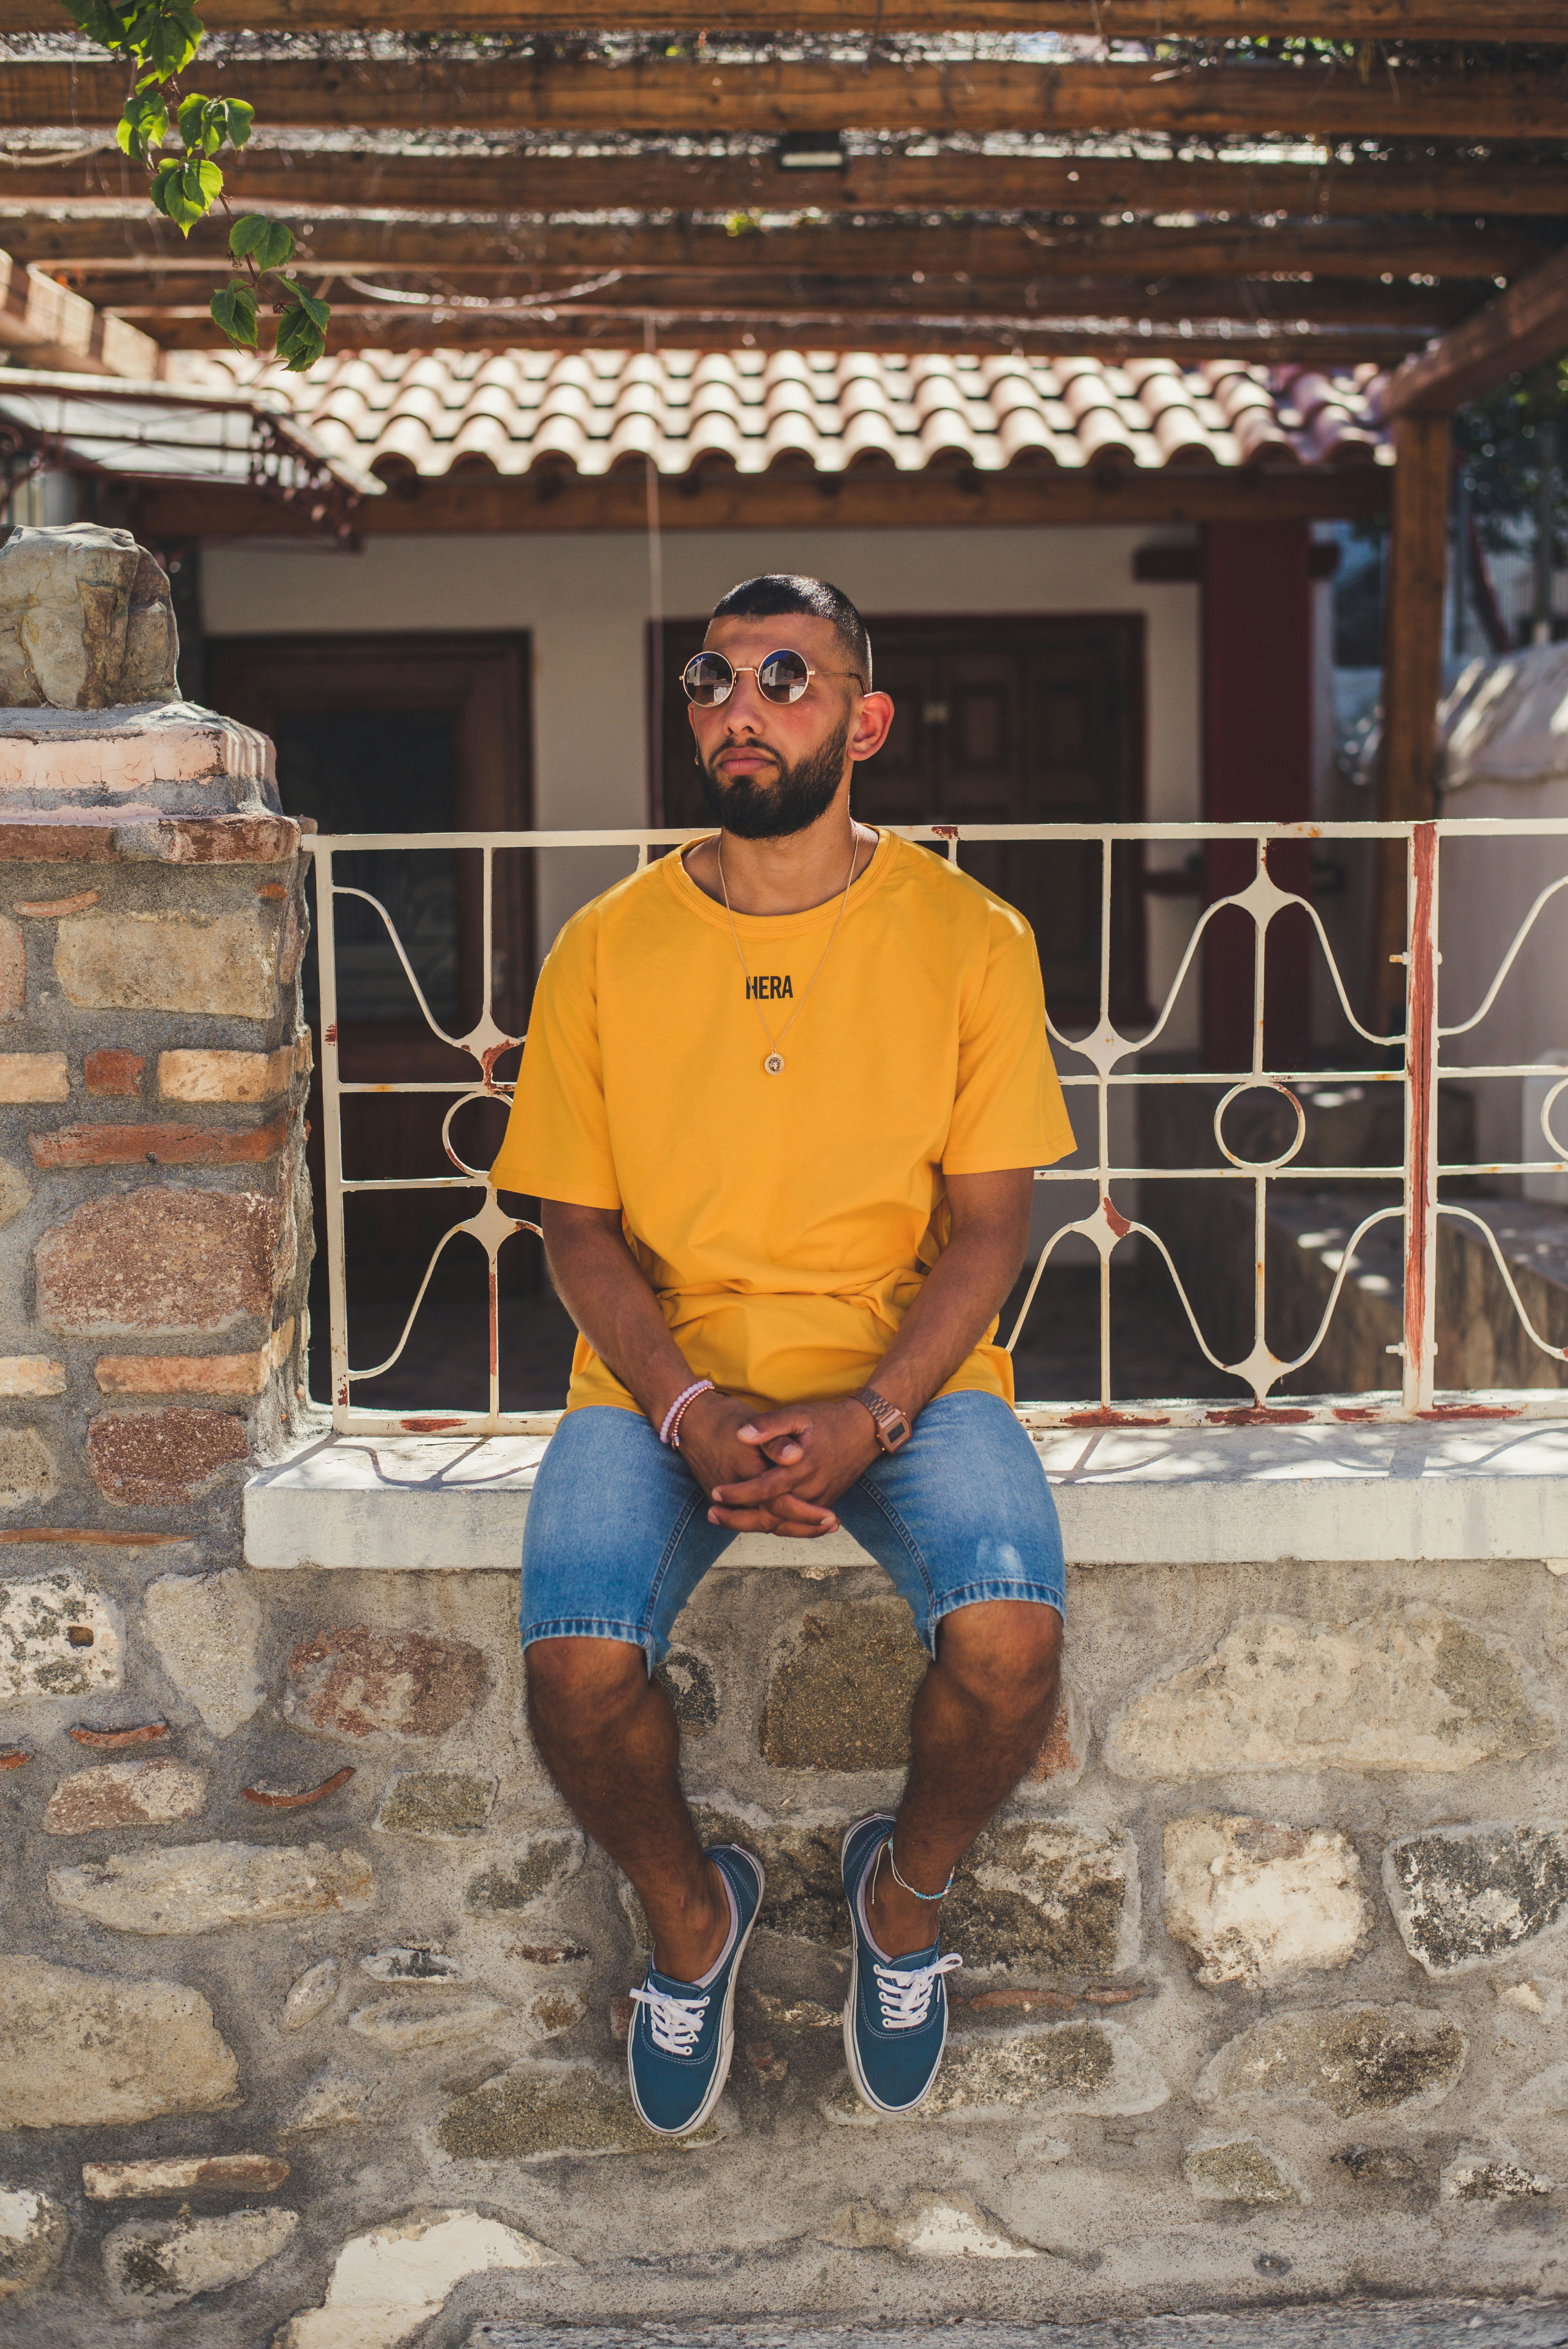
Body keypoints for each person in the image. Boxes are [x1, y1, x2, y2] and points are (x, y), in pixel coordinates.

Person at [489, 573, 1075, 2139]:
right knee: (574, 1667)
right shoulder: (605, 947)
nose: (737, 706)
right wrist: (683, 1407)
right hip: (659, 1382)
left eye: (782, 676)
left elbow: (985, 1231)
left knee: (1011, 1639)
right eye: (708, 680)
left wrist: (875, 1412)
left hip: (909, 1376)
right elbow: (577, 1230)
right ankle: (693, 1923)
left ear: (863, 721)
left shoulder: (969, 935)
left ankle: (902, 1899)